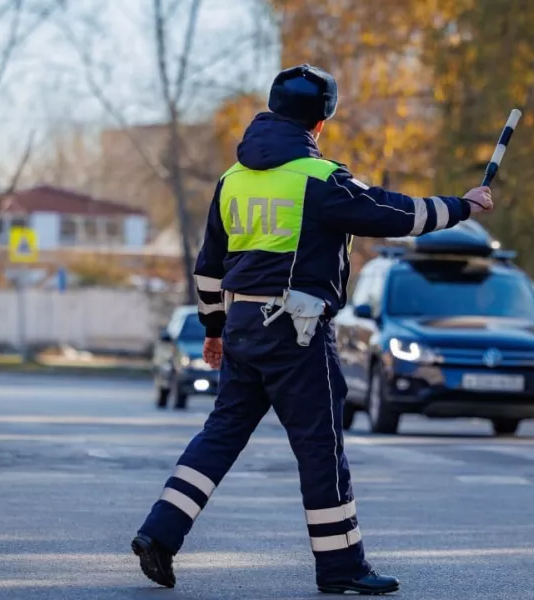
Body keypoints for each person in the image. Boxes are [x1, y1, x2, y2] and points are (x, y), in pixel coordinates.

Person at [131, 64, 494, 595]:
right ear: (320, 124)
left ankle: (159, 534)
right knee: (321, 446)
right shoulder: (321, 180)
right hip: (297, 330)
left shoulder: (232, 180)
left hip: (242, 325)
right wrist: (463, 206)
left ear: (272, 111)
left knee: (220, 435)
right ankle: (341, 567)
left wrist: (213, 327)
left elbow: (208, 268)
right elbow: (395, 214)